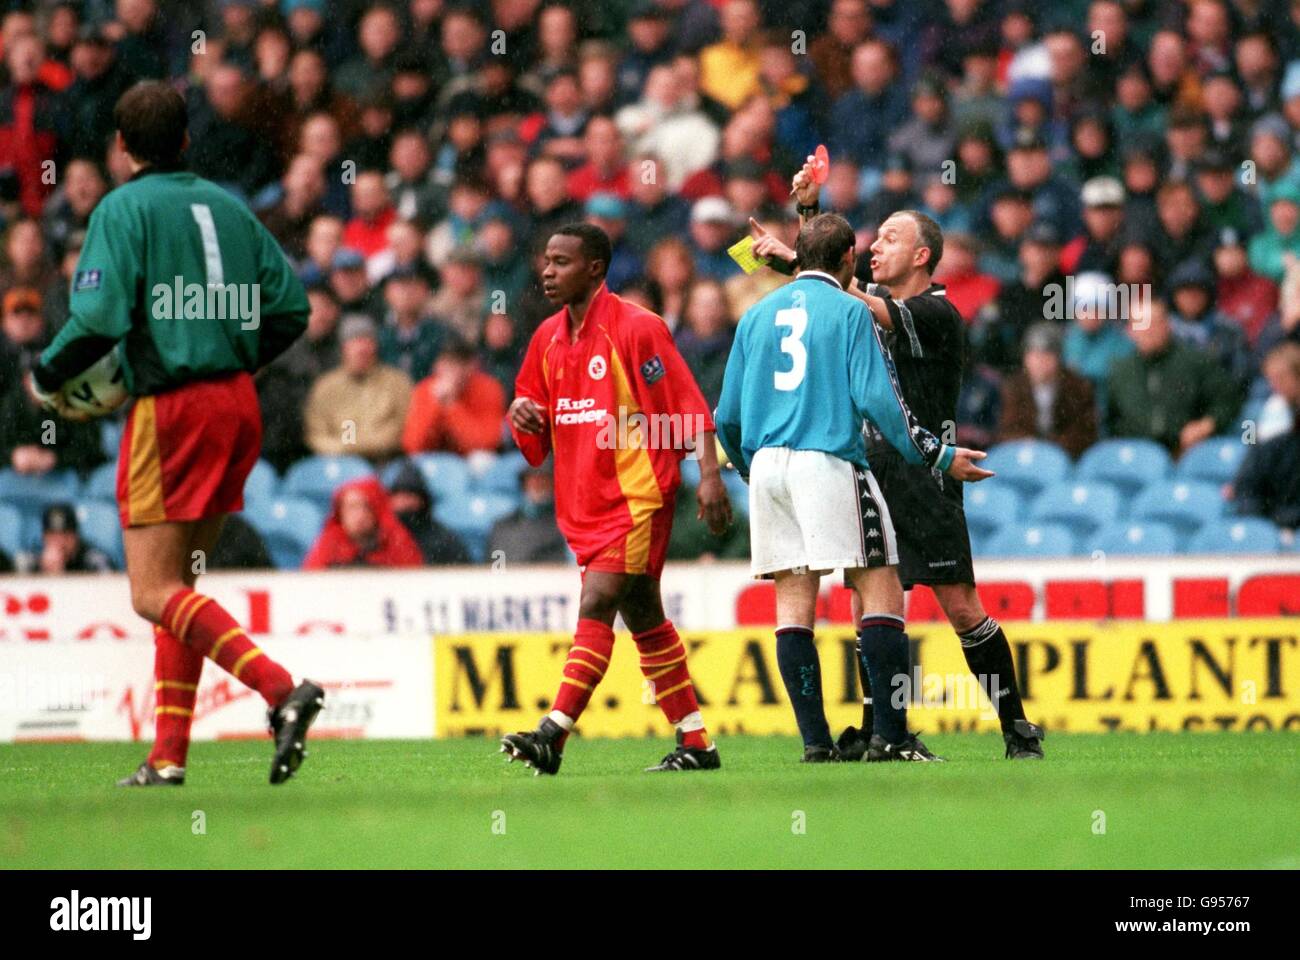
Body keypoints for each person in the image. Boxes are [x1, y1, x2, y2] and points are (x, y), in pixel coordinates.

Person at [26, 81, 324, 787]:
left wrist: (43, 376)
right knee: (183, 585)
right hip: (235, 403)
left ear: (121, 147)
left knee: (151, 589)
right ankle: (167, 758)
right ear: (187, 141)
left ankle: (282, 690)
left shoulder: (122, 207)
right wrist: (225, 350)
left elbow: (96, 318)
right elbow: (292, 309)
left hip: (173, 408)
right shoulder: (229, 206)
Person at [753, 162, 1047, 760]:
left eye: (889, 237)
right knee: (870, 600)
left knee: (961, 606)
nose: (875, 245)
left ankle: (1015, 723)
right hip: (868, 464)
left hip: (925, 472)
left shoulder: (936, 313)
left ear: (921, 257)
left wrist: (794, 253)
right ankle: (885, 731)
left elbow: (841, 292)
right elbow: (828, 284)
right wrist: (808, 215)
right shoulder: (866, 300)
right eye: (874, 238)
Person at [502, 223, 732, 775]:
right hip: (583, 504)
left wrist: (709, 476)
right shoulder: (546, 340)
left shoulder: (637, 327)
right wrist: (521, 416)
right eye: (546, 261)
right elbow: (530, 425)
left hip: (639, 496)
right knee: (645, 617)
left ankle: (552, 733)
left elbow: (687, 403)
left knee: (598, 602)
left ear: (595, 269)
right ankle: (697, 743)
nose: (548, 271)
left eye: (561, 262)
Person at [998, 323, 1098, 458]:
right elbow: (1007, 428)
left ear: (1058, 358)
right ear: (1025, 358)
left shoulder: (1077, 388)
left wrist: (1051, 447)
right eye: (1034, 355)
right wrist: (1027, 442)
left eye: (1046, 356)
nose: (1039, 362)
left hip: (1066, 458)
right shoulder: (1014, 387)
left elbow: (1084, 432)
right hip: (1023, 455)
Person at [302, 476, 424, 569]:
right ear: (341, 513)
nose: (359, 515)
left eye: (366, 507)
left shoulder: (398, 542)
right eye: (351, 507)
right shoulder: (329, 544)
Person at [386, 459, 472, 565]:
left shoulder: (443, 539)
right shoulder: (382, 537)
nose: (404, 502)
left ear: (423, 500)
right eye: (399, 496)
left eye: (410, 496)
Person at [487, 463, 571, 564]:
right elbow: (493, 567)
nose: (537, 484)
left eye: (543, 478)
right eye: (532, 478)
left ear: (553, 483)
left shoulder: (563, 526)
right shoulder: (501, 526)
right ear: (524, 483)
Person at [14, 503, 114, 574]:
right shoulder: (31, 560)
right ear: (44, 536)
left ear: (76, 536)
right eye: (53, 535)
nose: (60, 541)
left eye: (65, 535)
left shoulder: (94, 561)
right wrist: (44, 572)